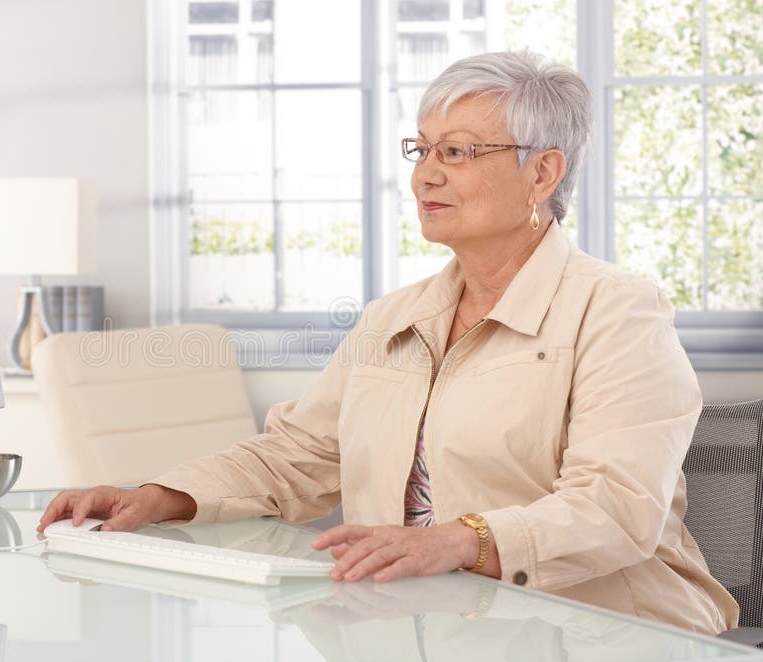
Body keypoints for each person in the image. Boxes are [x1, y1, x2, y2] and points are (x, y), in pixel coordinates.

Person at [38, 52, 738, 634]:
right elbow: (296, 456)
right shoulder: (392, 318)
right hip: (421, 627)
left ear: (542, 173)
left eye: (457, 152)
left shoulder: (618, 311)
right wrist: (158, 495)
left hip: (602, 633)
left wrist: (455, 542)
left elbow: (615, 507)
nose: (425, 174)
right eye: (422, 149)